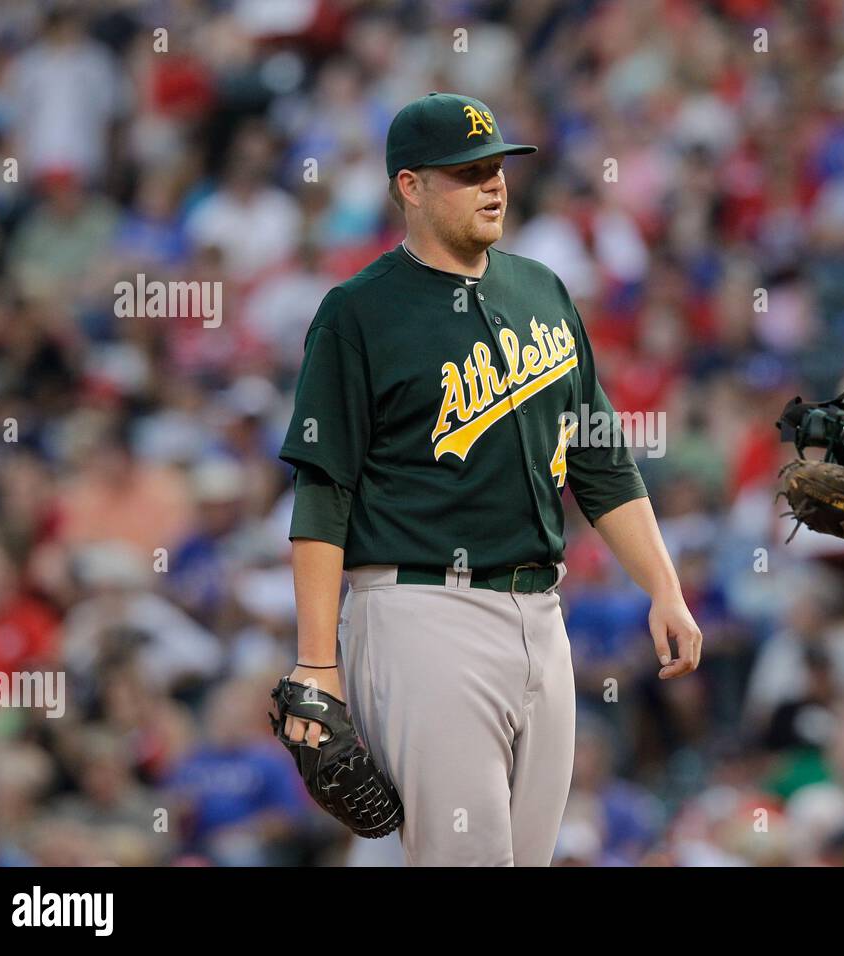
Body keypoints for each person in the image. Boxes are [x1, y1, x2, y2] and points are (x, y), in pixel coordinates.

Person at [276, 93, 702, 866]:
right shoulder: (358, 313)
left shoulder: (542, 290)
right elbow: (323, 492)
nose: (495, 185)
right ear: (411, 186)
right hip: (420, 613)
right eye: (469, 173)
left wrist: (664, 589)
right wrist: (316, 662)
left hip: (543, 614)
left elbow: (601, 460)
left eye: (497, 168)